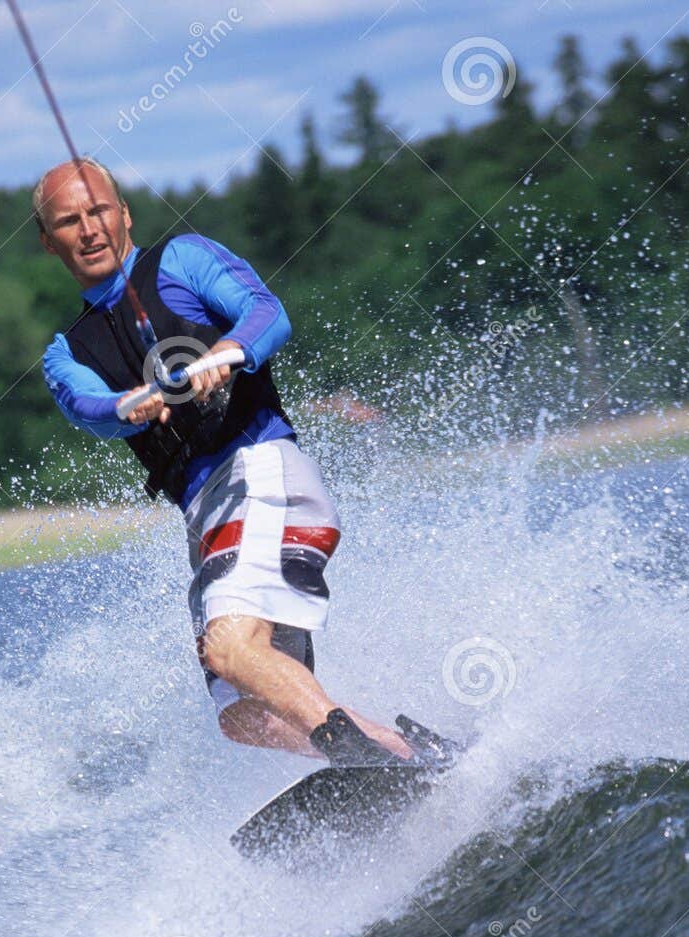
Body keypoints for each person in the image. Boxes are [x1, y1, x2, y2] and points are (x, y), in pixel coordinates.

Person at [36, 157, 453, 769]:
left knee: (231, 648)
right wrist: (134, 403)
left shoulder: (182, 259)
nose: (90, 229)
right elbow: (86, 405)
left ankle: (360, 759)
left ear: (124, 213)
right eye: (70, 221)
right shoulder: (66, 351)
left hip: (260, 474)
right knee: (243, 714)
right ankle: (411, 753)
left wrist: (226, 354)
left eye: (99, 211)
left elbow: (266, 313)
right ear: (50, 241)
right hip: (208, 518)